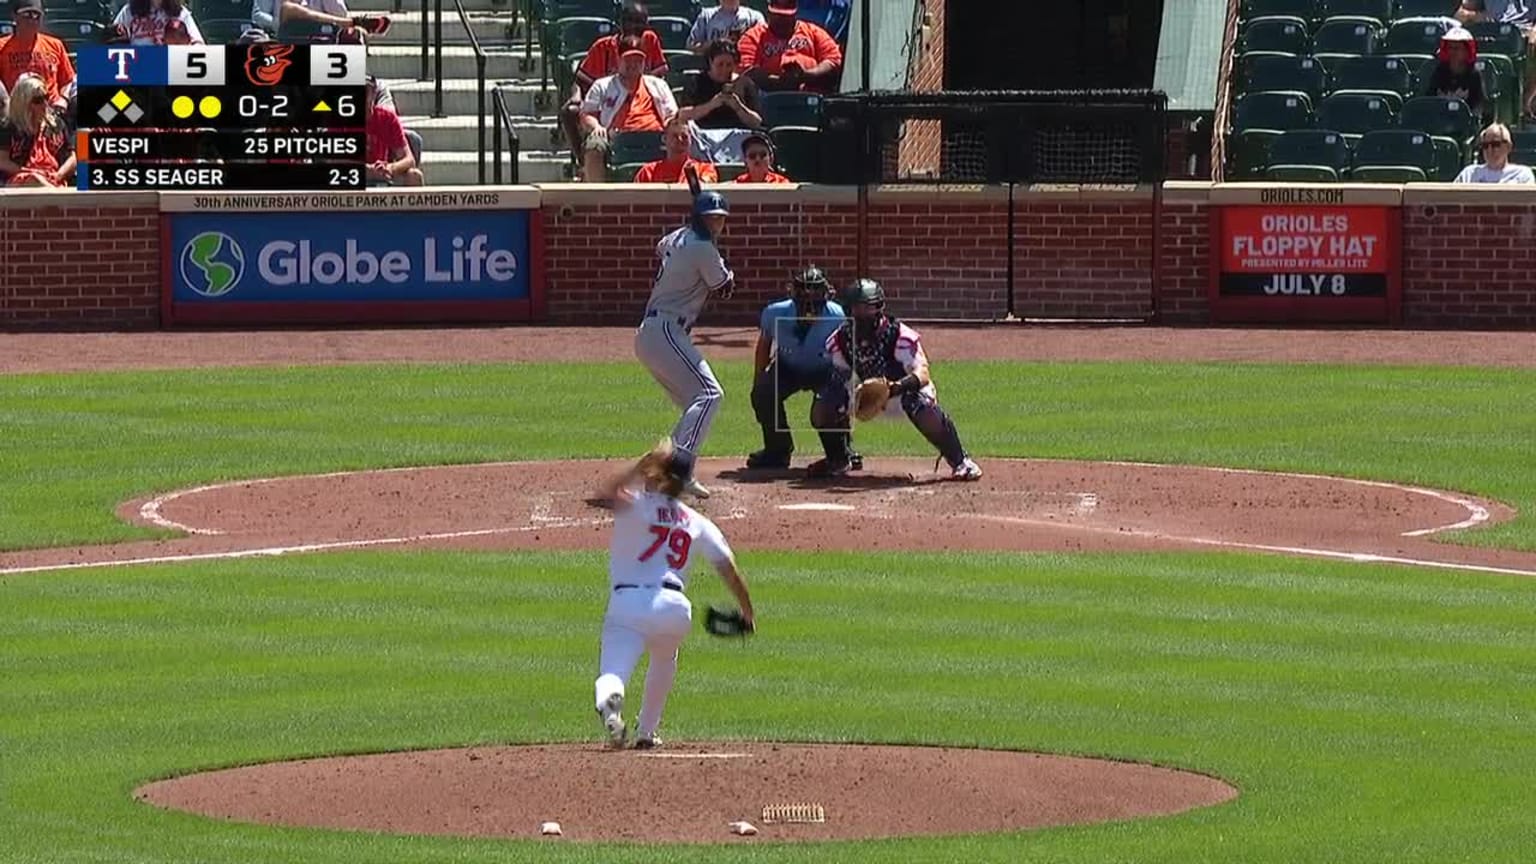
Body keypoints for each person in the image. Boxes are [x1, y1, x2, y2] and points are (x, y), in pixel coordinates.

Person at [592, 438, 754, 751]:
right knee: (665, 657)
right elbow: (729, 569)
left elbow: (607, 489)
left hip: (627, 605)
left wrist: (641, 463)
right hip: (675, 608)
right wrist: (748, 612)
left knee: (612, 672)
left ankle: (612, 699)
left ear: (655, 474)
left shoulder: (634, 503)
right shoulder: (696, 521)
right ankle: (647, 731)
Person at [807, 279, 983, 480]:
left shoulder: (899, 335)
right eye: (857, 308)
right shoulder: (840, 339)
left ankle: (961, 461)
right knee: (825, 401)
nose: (862, 314)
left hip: (902, 395)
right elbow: (840, 375)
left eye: (867, 308)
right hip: (868, 396)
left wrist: (894, 388)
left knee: (919, 403)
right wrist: (849, 396)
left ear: (879, 307)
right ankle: (837, 459)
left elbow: (923, 374)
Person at [633, 191, 736, 500]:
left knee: (696, 402)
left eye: (720, 218)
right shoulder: (703, 249)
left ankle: (669, 466)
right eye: (711, 218)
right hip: (666, 329)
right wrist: (724, 268)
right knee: (710, 394)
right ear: (699, 218)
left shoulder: (680, 236)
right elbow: (725, 288)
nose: (716, 223)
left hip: (655, 332)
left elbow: (660, 247)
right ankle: (675, 468)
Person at [747, 266, 861, 470]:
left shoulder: (838, 316)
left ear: (827, 294)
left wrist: (847, 387)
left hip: (825, 370)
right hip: (787, 367)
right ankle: (777, 450)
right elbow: (764, 344)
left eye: (815, 295)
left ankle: (842, 450)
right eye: (804, 296)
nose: (809, 303)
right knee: (763, 392)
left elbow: (846, 354)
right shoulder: (774, 313)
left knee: (835, 399)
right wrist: (759, 379)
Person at [577, 34, 678, 182]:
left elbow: (672, 115)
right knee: (594, 146)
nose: (633, 64)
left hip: (655, 138)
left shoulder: (658, 85)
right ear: (618, 59)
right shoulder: (602, 85)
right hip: (615, 138)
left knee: (684, 138)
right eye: (628, 59)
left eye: (638, 60)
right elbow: (587, 115)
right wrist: (597, 126)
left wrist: (669, 125)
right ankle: (598, 198)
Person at [738, 0, 843, 94]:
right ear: (769, 13)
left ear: (795, 14)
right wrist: (779, 82)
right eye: (778, 16)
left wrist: (806, 75)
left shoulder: (812, 31)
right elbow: (747, 69)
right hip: (768, 100)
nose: (781, 20)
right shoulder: (753, 36)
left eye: (786, 16)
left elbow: (833, 59)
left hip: (810, 96)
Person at [0, 72, 72, 186]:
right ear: (24, 102)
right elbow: (2, 161)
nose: (44, 104)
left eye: (46, 97)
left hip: (53, 177)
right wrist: (29, 171)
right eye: (38, 100)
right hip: (20, 178)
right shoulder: (9, 127)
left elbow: (73, 157)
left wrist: (59, 174)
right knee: (33, 180)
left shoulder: (56, 123)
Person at [0, 0, 74, 112]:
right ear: (15, 16)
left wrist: (63, 99)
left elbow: (68, 80)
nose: (33, 19)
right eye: (27, 14)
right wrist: (6, 102)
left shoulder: (55, 45)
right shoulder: (2, 46)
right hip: (15, 114)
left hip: (51, 111)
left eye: (37, 15)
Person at [364, 76, 423, 185]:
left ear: (373, 94)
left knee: (414, 176)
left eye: (365, 91)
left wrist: (390, 168)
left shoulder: (387, 118)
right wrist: (368, 169)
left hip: (383, 172)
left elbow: (409, 159)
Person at [1422, 28, 1486, 122]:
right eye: (1450, 48)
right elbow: (1429, 100)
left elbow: (1478, 105)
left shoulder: (1474, 75)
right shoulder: (1439, 72)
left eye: (1457, 49)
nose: (1453, 52)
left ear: (1466, 51)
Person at [634, 117, 720, 183]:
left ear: (691, 140)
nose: (680, 139)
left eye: (684, 137)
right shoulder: (648, 172)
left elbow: (707, 187)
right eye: (675, 136)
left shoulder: (704, 169)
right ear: (664, 139)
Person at [1454, 122, 1535, 182]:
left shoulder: (1522, 174)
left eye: (1495, 144)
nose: (1489, 150)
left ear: (1508, 147)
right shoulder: (1468, 174)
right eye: (1485, 145)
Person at [111, 0, 205, 46]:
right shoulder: (129, 12)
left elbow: (198, 44)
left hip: (171, 75)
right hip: (136, 75)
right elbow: (111, 44)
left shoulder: (180, 13)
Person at [687, 0, 765, 51]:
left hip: (745, 68)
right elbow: (691, 46)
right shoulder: (706, 16)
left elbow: (765, 44)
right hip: (714, 69)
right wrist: (717, 44)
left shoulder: (755, 17)